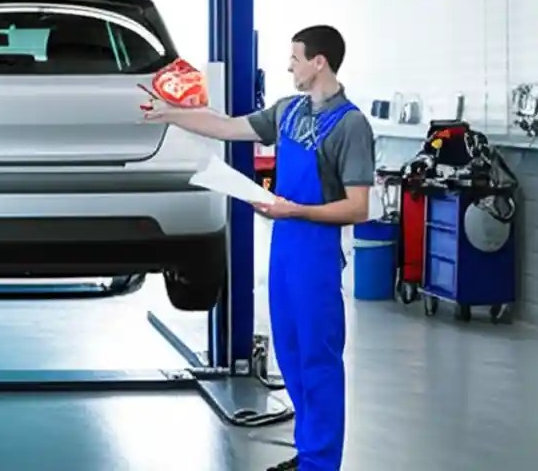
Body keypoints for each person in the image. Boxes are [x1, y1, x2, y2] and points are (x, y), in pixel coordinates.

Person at [143, 25, 374, 471]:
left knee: (318, 360)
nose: (288, 65)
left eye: (295, 58)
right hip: (284, 248)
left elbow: (359, 207)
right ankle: (308, 452)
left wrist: (296, 211)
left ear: (318, 62)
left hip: (315, 253)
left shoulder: (351, 125)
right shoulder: (288, 111)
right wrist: (169, 113)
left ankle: (322, 463)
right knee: (289, 354)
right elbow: (228, 127)